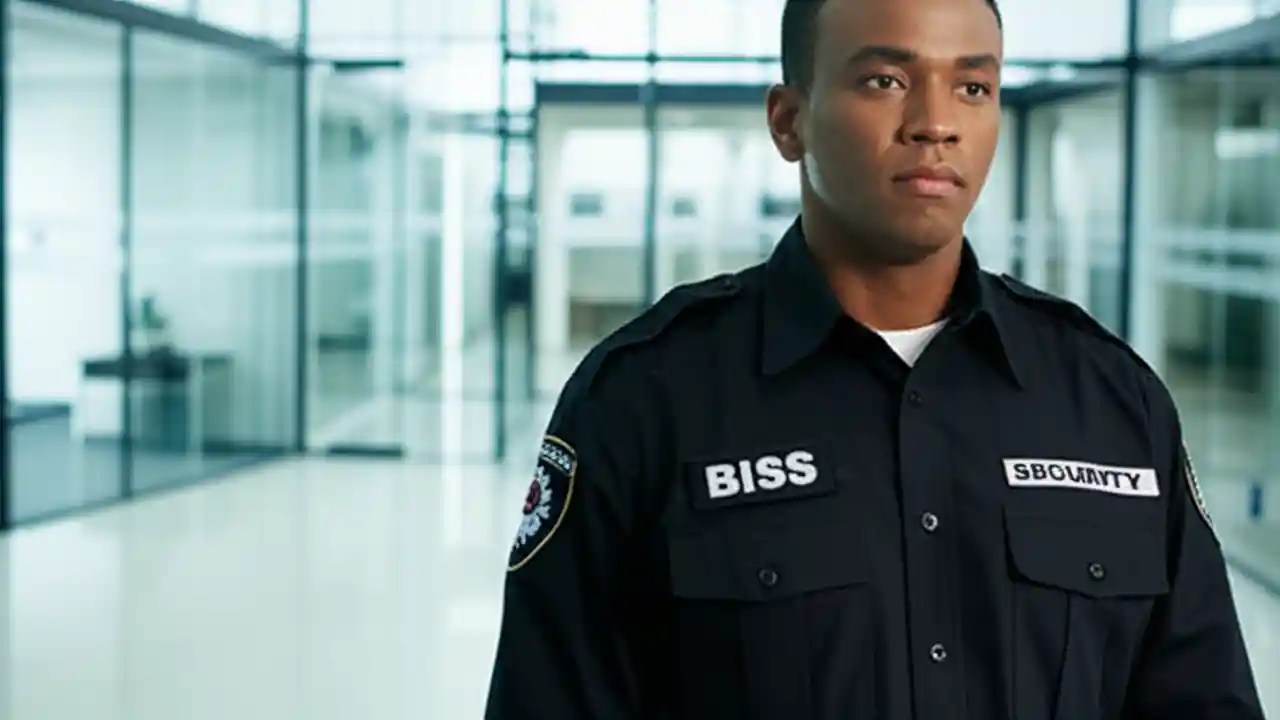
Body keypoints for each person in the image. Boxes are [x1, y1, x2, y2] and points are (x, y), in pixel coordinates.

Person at [484, 0, 1266, 716]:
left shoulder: (1112, 401)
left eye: (973, 88)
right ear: (789, 121)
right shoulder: (643, 400)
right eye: (886, 79)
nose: (935, 124)